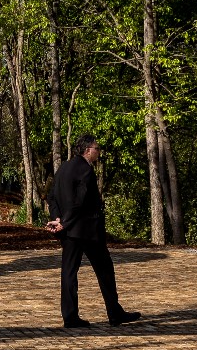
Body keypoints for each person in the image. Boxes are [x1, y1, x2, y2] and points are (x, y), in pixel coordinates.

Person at [46, 135, 142, 329]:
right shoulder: (86, 170)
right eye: (97, 148)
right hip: (87, 231)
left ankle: (70, 317)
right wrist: (65, 222)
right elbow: (79, 202)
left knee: (68, 272)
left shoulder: (63, 168)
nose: (99, 152)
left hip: (69, 231)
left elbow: (52, 197)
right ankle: (114, 313)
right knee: (105, 270)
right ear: (87, 150)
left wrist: (58, 219)